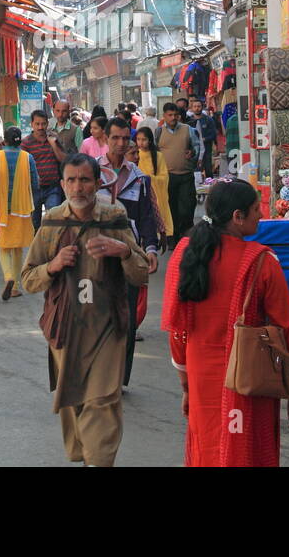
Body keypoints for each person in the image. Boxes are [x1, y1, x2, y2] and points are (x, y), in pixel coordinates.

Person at [162, 180, 289, 466]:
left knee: (209, 449)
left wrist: (187, 384)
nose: (260, 215)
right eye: (255, 209)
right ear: (237, 217)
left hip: (201, 376)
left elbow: (177, 330)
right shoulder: (263, 261)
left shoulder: (184, 253)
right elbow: (288, 326)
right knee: (247, 451)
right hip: (251, 376)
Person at [21, 155, 151, 466]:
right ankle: (88, 455)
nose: (78, 187)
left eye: (85, 180)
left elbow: (141, 273)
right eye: (72, 180)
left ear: (97, 183)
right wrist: (52, 266)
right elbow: (28, 278)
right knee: (74, 400)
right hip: (65, 327)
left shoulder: (114, 218)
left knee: (102, 400)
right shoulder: (51, 221)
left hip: (107, 326)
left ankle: (98, 461)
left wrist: (123, 252)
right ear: (63, 183)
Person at [99, 117, 161, 385]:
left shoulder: (138, 178)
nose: (121, 143)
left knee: (127, 319)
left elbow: (146, 216)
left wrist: (151, 249)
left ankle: (120, 378)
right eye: (116, 138)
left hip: (130, 254)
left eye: (126, 139)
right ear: (106, 138)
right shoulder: (92, 173)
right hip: (98, 253)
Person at [0, 126, 39, 301]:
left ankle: (8, 276)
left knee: (3, 246)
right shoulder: (28, 158)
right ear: (20, 141)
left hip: (1, 209)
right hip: (22, 209)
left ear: (5, 141)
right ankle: (15, 286)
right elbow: (35, 182)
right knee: (17, 248)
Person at [158, 102, 198, 242]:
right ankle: (172, 238)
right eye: (170, 115)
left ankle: (186, 238)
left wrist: (192, 153)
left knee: (187, 208)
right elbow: (155, 153)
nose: (173, 118)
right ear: (164, 116)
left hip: (186, 175)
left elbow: (197, 147)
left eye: (175, 115)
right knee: (170, 209)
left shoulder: (188, 129)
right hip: (167, 177)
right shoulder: (159, 132)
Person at [22, 110, 63, 229]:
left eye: (43, 124)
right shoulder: (26, 143)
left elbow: (62, 159)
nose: (40, 127)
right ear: (32, 124)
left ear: (47, 124)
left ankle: (52, 247)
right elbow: (23, 167)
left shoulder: (54, 139)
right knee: (34, 224)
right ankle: (37, 247)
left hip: (53, 188)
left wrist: (53, 144)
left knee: (54, 220)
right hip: (34, 189)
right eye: (37, 124)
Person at [133, 126, 174, 243]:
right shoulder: (135, 155)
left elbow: (164, 177)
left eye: (144, 139)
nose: (140, 142)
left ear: (150, 140)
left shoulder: (158, 156)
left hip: (155, 193)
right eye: (138, 139)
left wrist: (149, 179)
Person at [190, 98, 221, 178]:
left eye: (199, 106)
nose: (197, 108)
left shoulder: (208, 119)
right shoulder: (189, 120)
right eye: (195, 106)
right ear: (192, 108)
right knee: (195, 169)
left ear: (202, 107)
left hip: (206, 148)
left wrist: (204, 139)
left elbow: (214, 134)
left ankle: (209, 184)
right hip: (193, 149)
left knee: (208, 168)